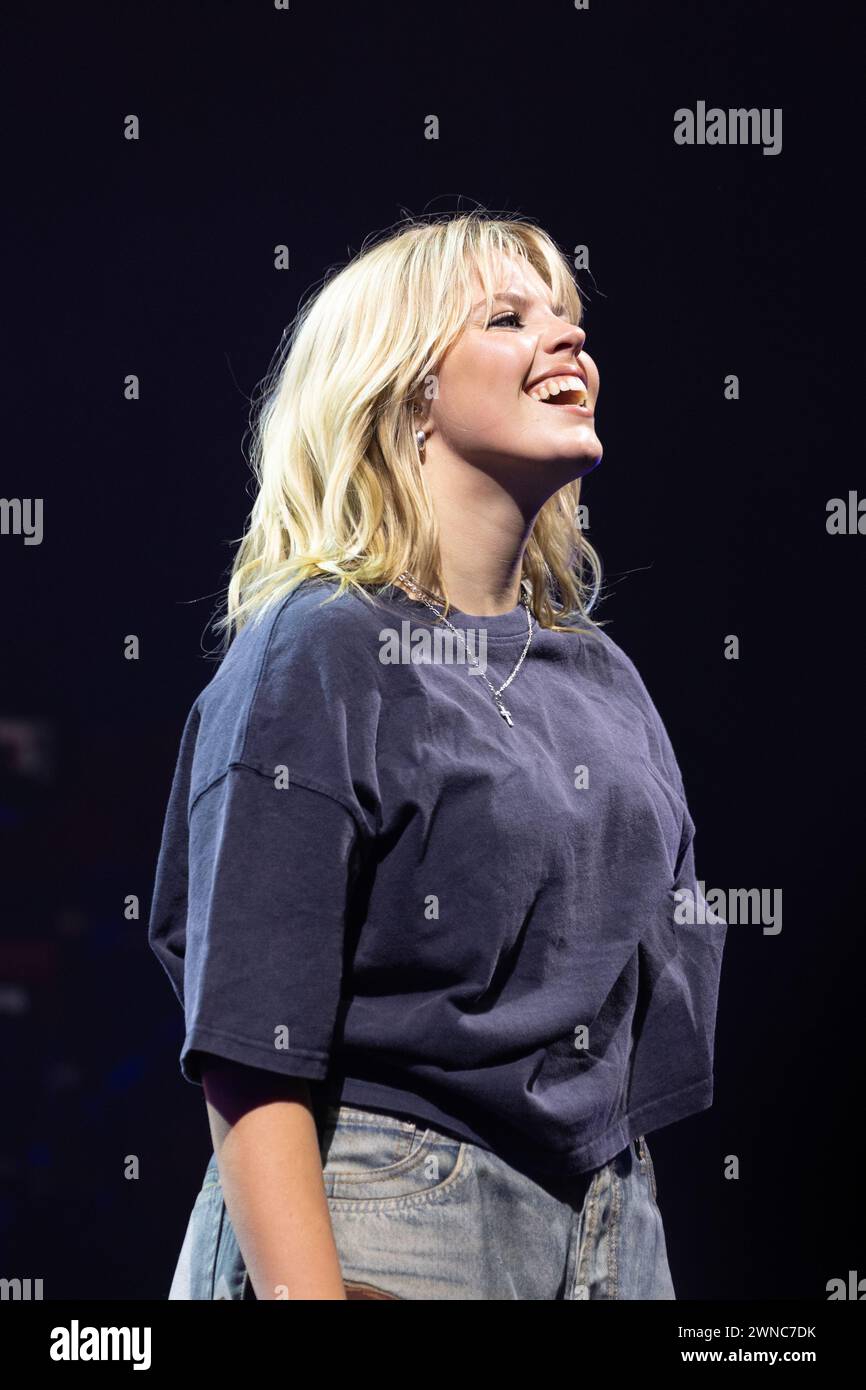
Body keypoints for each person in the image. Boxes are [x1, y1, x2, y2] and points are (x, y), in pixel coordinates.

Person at [147, 209, 727, 1300]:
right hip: (385, 1211)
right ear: (407, 390)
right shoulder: (320, 646)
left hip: (606, 1218)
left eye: (569, 318)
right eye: (509, 318)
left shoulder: (601, 680)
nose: (567, 341)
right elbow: (245, 1033)